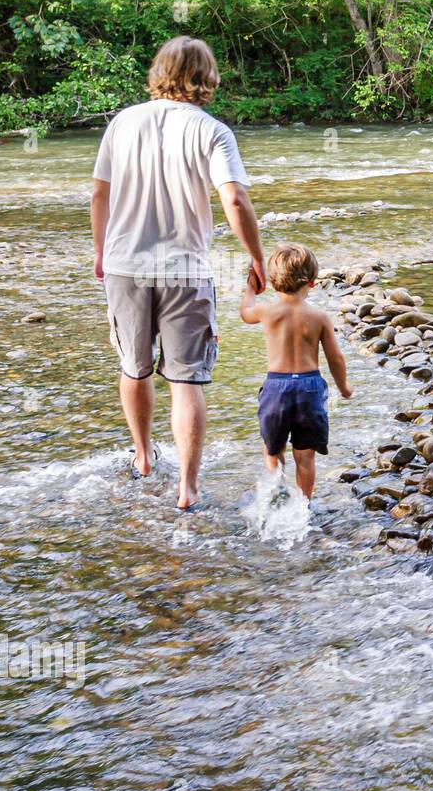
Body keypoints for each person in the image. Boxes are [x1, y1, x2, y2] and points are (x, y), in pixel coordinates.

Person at [90, 36, 265, 510]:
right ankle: (188, 488)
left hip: (125, 264)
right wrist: (256, 256)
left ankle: (144, 456)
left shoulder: (122, 122)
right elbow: (234, 199)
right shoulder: (212, 130)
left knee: (134, 365)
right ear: (205, 78)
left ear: (159, 71)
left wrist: (101, 252)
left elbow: (100, 196)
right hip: (184, 269)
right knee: (186, 380)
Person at [241, 243, 352, 500]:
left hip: (276, 387)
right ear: (312, 282)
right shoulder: (319, 316)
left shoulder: (267, 311)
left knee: (272, 448)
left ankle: (277, 487)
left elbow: (245, 313)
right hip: (309, 387)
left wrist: (250, 286)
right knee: (305, 454)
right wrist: (344, 388)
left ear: (273, 282)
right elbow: (335, 358)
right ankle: (304, 503)